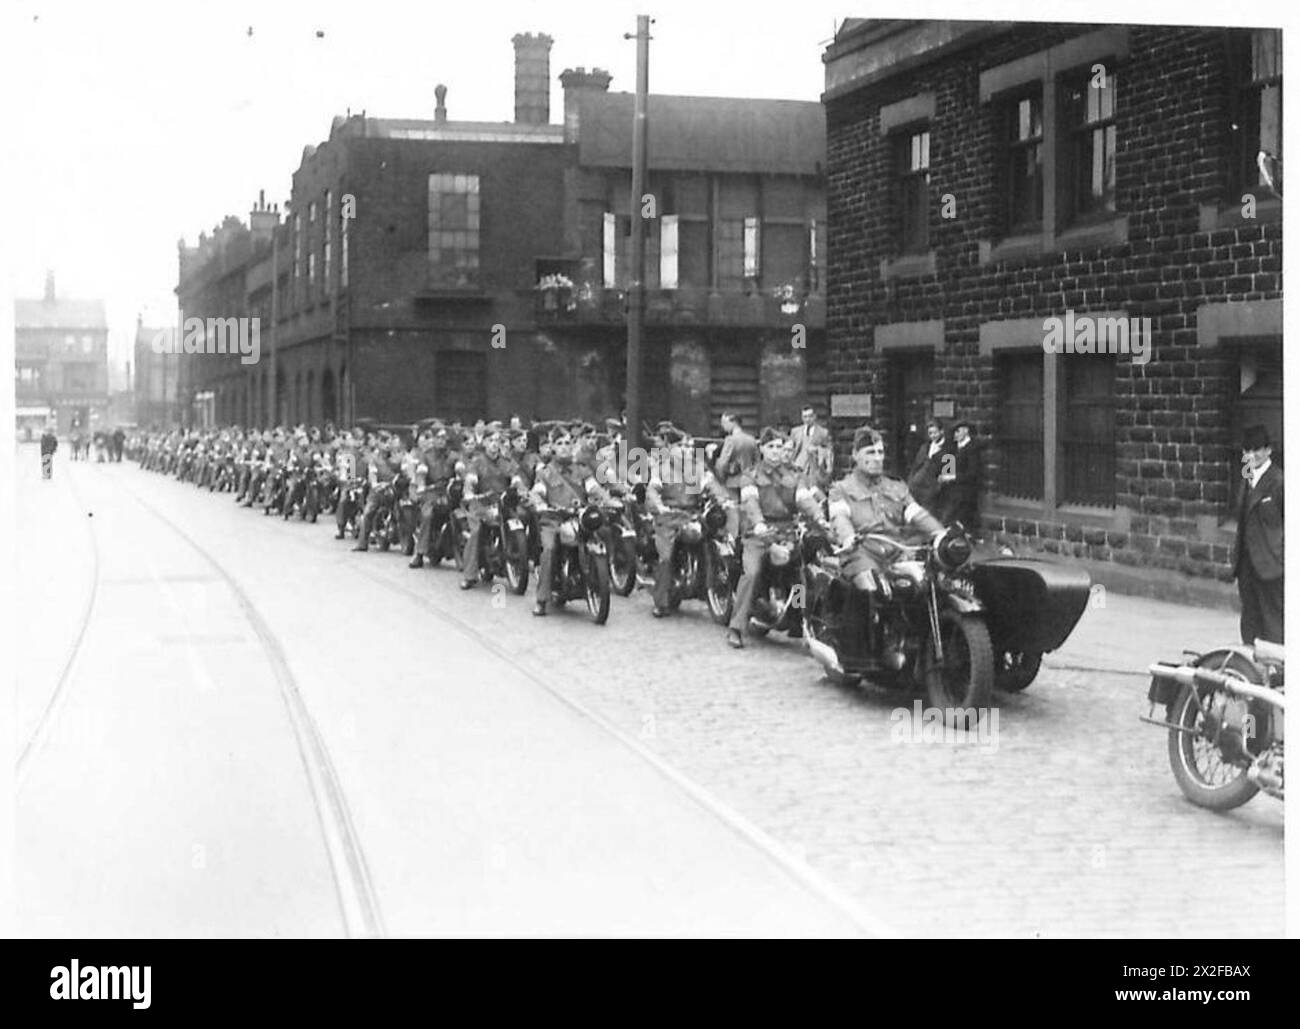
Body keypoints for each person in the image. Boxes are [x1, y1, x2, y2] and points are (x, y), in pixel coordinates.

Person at [826, 426, 947, 670]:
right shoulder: (842, 488)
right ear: (856, 456)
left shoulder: (896, 487)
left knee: (927, 584)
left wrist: (940, 533)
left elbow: (916, 514)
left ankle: (912, 640)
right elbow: (839, 518)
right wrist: (848, 537)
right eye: (870, 452)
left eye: (880, 452)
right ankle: (857, 656)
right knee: (869, 587)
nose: (877, 458)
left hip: (895, 550)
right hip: (861, 550)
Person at [726, 428, 824, 648]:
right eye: (771, 447)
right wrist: (759, 523)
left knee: (800, 575)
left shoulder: (794, 474)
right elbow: (750, 502)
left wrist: (819, 515)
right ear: (762, 449)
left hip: (787, 531)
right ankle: (736, 627)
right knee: (751, 573)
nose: (776, 451)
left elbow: (804, 498)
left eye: (780, 447)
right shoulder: (751, 475)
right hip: (758, 535)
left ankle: (798, 617)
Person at [527, 430, 610, 615]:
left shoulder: (581, 469)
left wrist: (607, 500)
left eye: (567, 443)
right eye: (560, 444)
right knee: (549, 550)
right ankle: (541, 599)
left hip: (579, 517)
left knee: (602, 533)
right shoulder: (545, 472)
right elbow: (537, 492)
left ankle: (602, 579)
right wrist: (539, 503)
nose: (564, 447)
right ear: (553, 447)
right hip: (553, 519)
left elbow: (594, 488)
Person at [1233, 425, 1284, 645]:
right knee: (1250, 618)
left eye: (1257, 450)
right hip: (1247, 563)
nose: (1251, 456)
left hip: (1270, 564)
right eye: (1247, 451)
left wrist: (1281, 558)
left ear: (1269, 451)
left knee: (1273, 620)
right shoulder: (1247, 474)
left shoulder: (1279, 482)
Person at [938, 420, 981, 531]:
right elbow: (948, 467)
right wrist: (945, 476)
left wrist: (952, 477)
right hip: (952, 490)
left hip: (966, 490)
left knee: (954, 514)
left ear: (966, 431)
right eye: (954, 432)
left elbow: (972, 473)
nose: (955, 435)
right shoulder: (953, 448)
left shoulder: (972, 448)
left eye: (958, 431)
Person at [907, 419, 949, 516]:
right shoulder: (925, 447)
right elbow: (916, 466)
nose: (933, 436)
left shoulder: (948, 449)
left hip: (932, 489)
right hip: (917, 486)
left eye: (935, 432)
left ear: (941, 431)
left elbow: (948, 473)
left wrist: (937, 486)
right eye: (930, 433)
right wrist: (911, 481)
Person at [789, 405, 832, 487]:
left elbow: (828, 451)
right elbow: (791, 449)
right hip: (798, 468)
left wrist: (817, 450)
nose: (807, 419)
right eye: (805, 417)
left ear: (815, 417)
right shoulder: (795, 431)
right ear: (802, 418)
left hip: (814, 469)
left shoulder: (823, 432)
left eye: (810, 416)